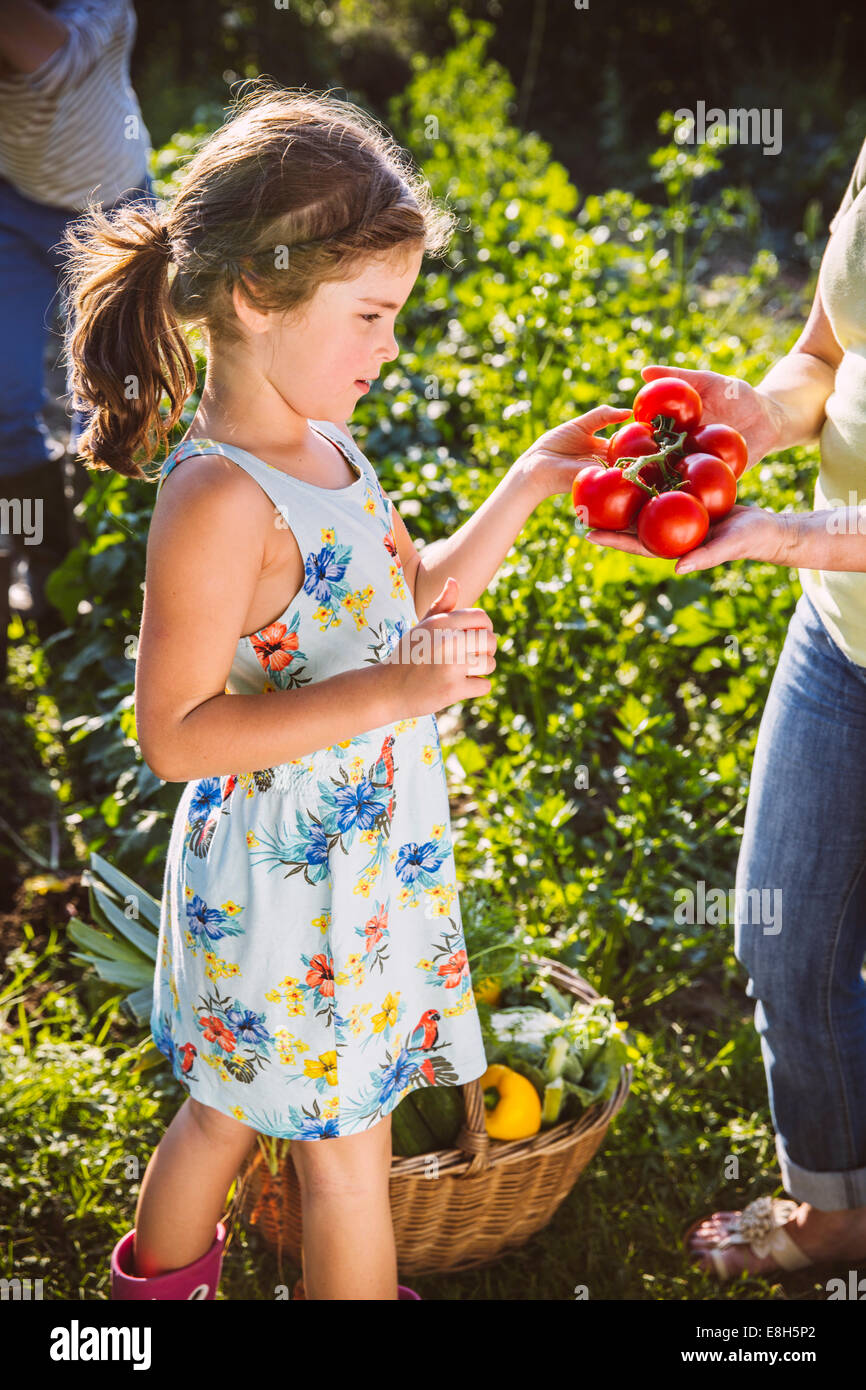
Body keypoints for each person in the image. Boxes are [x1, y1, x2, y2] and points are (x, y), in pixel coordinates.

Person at [61, 78, 627, 1301]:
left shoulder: (328, 441)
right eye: (370, 316)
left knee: (227, 1109)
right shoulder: (217, 498)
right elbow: (175, 736)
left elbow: (407, 593)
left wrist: (529, 482)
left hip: (359, 872)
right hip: (282, 888)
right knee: (322, 1153)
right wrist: (395, 693)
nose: (389, 347)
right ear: (259, 295)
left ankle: (151, 1296)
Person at [583, 133, 866, 1281]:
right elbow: (826, 349)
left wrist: (780, 535)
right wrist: (755, 414)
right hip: (840, 637)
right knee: (781, 938)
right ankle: (838, 1208)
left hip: (823, 570)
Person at [0, 0, 154, 672]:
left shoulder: (99, 11)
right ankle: (50, 567)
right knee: (6, 405)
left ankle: (115, 567)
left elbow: (51, 60)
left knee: (113, 397)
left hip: (116, 214)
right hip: (15, 211)